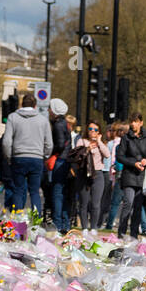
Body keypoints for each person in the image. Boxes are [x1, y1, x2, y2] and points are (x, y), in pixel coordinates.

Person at [116, 114, 146, 239]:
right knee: (128, 203)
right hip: (129, 175)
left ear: (141, 123)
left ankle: (134, 235)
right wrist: (133, 163)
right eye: (132, 121)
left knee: (138, 206)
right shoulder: (126, 138)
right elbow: (119, 156)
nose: (133, 124)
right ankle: (121, 233)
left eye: (136, 122)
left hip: (142, 176)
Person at [71, 121, 109, 229]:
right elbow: (76, 156)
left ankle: (93, 228)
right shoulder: (81, 141)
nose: (93, 131)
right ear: (87, 130)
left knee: (96, 204)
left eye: (96, 130)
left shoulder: (101, 143)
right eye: (90, 129)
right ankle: (84, 228)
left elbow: (107, 155)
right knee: (84, 203)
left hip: (98, 174)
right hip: (84, 174)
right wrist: (87, 149)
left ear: (99, 132)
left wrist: (99, 142)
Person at [47, 99, 73, 234]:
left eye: (50, 108)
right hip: (66, 159)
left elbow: (60, 144)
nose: (49, 111)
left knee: (57, 192)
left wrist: (51, 153)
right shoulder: (65, 124)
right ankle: (65, 222)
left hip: (60, 160)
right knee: (63, 192)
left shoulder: (57, 125)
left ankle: (57, 223)